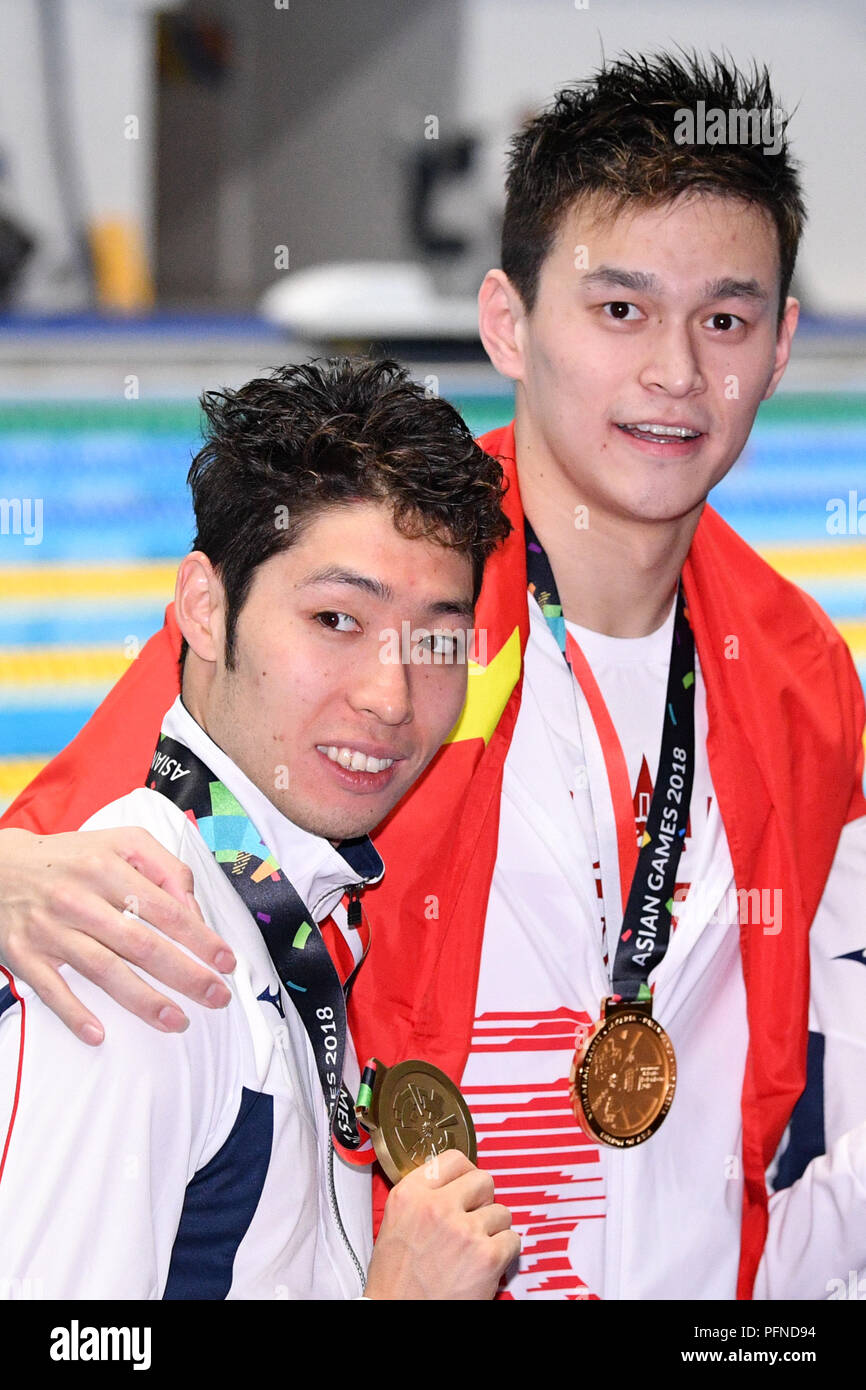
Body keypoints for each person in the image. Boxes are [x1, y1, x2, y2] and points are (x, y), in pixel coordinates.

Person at [2, 51, 866, 1301]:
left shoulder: (797, 674)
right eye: (618, 309)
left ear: (781, 344)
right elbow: (110, 846)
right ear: (508, 322)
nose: (676, 373)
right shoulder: (377, 595)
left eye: (722, 319)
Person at [0, 356, 520, 1299]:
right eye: (335, 619)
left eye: (437, 639)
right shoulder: (135, 953)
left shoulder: (284, 904)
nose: (391, 698)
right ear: (204, 607)